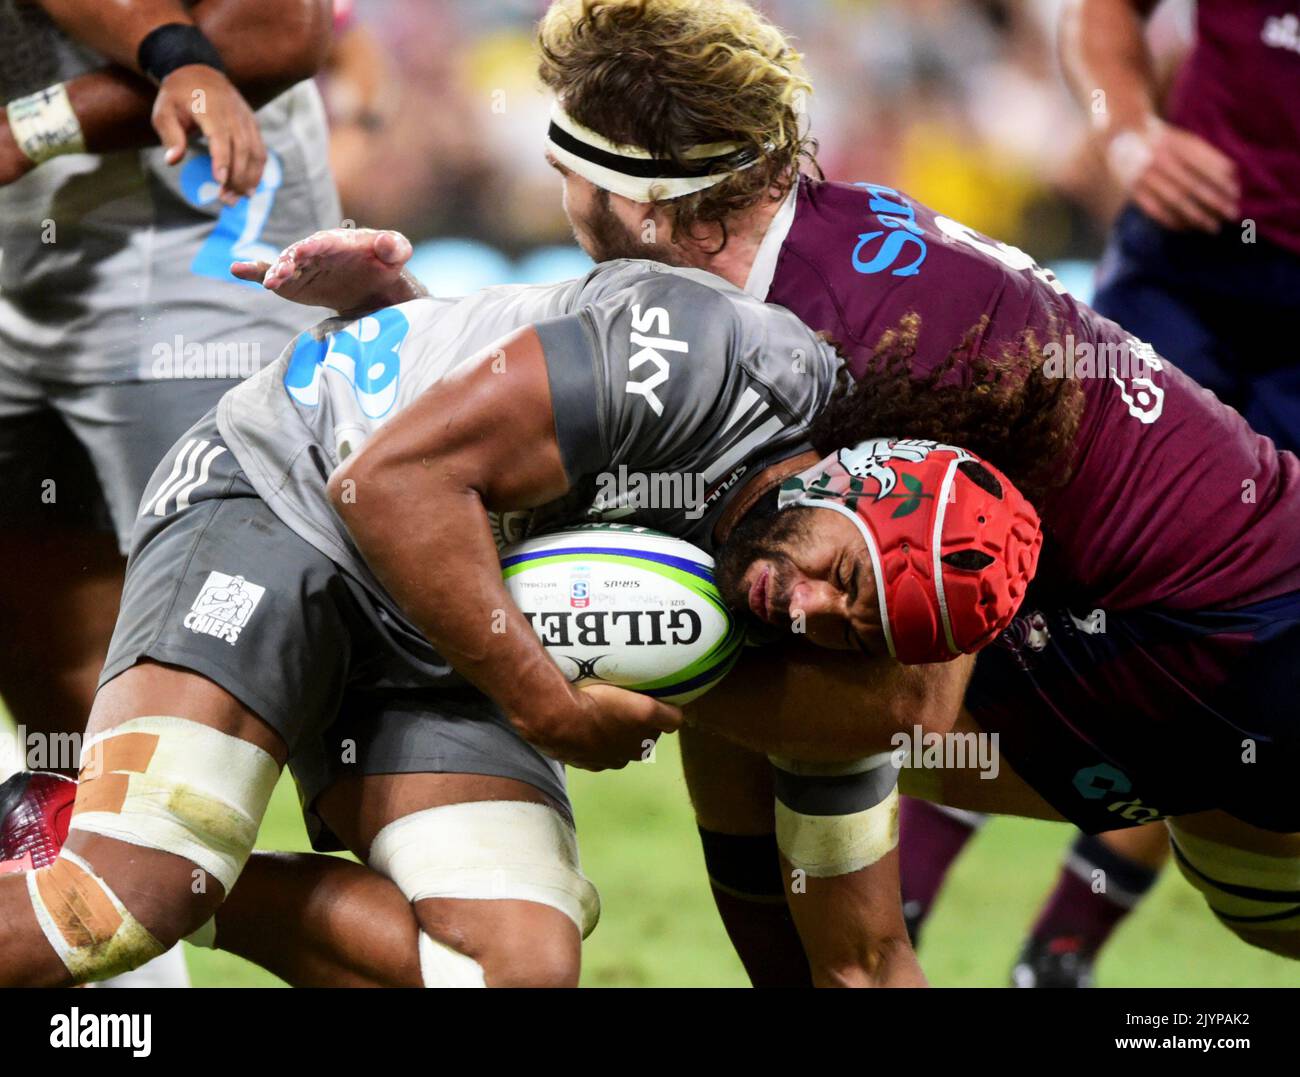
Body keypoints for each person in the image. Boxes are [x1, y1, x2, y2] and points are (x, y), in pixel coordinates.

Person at [0, 0, 339, 987]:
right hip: (23, 260)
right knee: (52, 667)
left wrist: (29, 128)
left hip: (196, 245)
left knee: (278, 663)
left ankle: (460, 917)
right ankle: (110, 990)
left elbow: (279, 34)